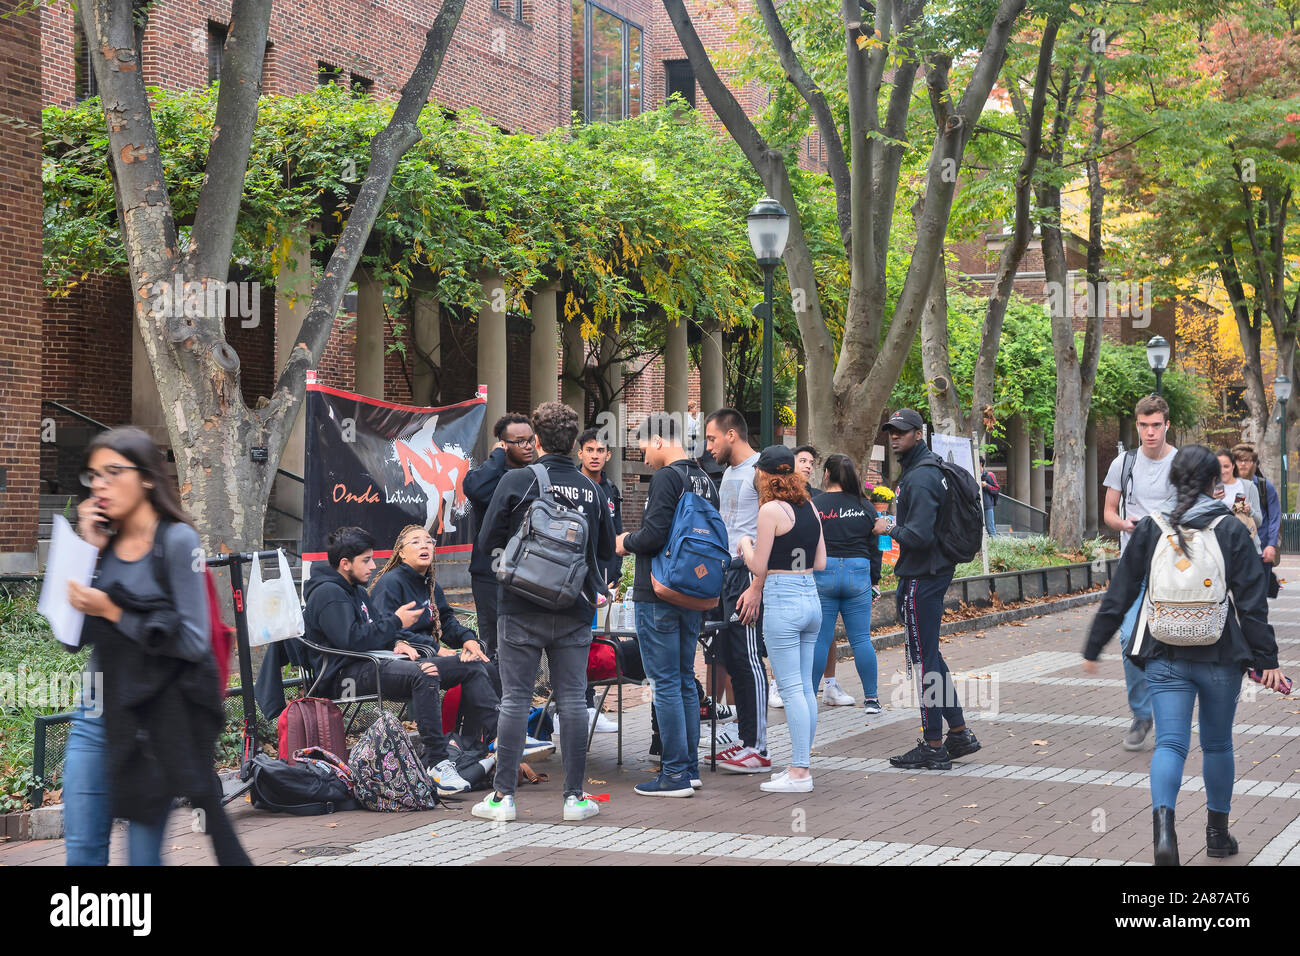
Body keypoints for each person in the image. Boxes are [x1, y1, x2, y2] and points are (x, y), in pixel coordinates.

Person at [1082, 445, 1286, 865]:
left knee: (1170, 745)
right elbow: (1251, 603)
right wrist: (1266, 659)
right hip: (1220, 653)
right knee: (1216, 744)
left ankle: (1164, 834)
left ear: (1173, 480)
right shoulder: (1230, 529)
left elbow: (1120, 592)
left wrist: (1094, 644)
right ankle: (1217, 835)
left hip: (1163, 650)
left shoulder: (1151, 527)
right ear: (1217, 482)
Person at [65, 427, 251, 866]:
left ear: (147, 477)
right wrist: (87, 553)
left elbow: (191, 640)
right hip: (95, 712)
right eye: (94, 476)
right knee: (83, 852)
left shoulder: (176, 541)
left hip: (152, 722)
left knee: (143, 859)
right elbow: (70, 637)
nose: (101, 485)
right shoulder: (100, 539)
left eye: (113, 472)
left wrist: (113, 612)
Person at [472, 401, 614, 823]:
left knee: (514, 697)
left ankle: (502, 800)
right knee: (572, 698)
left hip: (518, 605)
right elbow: (605, 551)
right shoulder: (592, 488)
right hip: (573, 607)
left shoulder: (517, 479)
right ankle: (574, 799)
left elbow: (485, 543)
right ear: (574, 442)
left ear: (536, 439)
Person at [303, 526, 473, 795]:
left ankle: (480, 746)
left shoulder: (357, 590)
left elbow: (375, 632)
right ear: (345, 564)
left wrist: (397, 642)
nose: (373, 566)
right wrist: (396, 623)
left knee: (467, 664)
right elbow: (352, 641)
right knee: (424, 673)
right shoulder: (328, 594)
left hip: (373, 663)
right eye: (366, 560)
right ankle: (436, 763)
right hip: (344, 675)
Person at [616, 412, 720, 797]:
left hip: (658, 592)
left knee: (665, 683)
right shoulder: (705, 478)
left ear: (659, 440)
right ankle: (689, 769)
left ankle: (674, 774)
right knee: (684, 680)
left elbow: (654, 535)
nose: (643, 457)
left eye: (643, 447)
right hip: (693, 591)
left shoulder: (666, 477)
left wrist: (624, 541)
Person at [874, 409, 980, 770]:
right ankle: (959, 734)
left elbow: (917, 536)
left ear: (919, 434)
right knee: (930, 655)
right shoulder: (931, 469)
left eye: (902, 432)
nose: (894, 437)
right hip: (934, 572)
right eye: (891, 431)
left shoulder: (919, 479)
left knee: (922, 662)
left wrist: (886, 526)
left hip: (923, 575)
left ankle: (933, 744)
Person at [737, 446, 826, 793]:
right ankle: (800, 765)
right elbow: (819, 562)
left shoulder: (770, 510)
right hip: (810, 597)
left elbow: (758, 566)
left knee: (790, 690)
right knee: (805, 688)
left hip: (782, 599)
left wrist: (745, 544)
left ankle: (800, 772)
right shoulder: (811, 507)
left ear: (765, 475)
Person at [369, 524, 501, 741]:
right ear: (401, 553)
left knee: (486, 664)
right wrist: (436, 648)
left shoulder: (430, 584)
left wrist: (467, 639)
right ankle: (502, 737)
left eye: (428, 541)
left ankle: (475, 743)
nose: (424, 545)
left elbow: (446, 622)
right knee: (472, 667)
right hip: (402, 661)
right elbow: (385, 630)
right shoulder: (390, 583)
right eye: (416, 542)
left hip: (427, 656)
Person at [1102, 394, 1177, 752]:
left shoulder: (1181, 463)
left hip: (1174, 568)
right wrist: (1126, 525)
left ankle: (1170, 715)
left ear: (1167, 425)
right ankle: (1141, 714)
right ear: (1138, 425)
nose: (1150, 432)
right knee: (1128, 637)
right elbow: (1109, 513)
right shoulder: (1123, 462)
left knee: (1172, 640)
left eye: (1156, 425)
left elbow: (1197, 511)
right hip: (1133, 566)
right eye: (1144, 426)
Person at [704, 407, 771, 773]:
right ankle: (745, 741)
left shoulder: (760, 471)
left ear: (732, 435)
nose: (708, 446)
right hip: (723, 573)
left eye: (712, 438)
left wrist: (757, 586)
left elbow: (770, 533)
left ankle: (758, 747)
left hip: (746, 575)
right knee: (729, 657)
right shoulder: (729, 472)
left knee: (748, 659)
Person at [812, 454, 882, 716]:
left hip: (824, 572)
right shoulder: (865, 506)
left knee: (821, 638)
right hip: (858, 572)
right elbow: (875, 548)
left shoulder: (815, 505)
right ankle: (872, 700)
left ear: (827, 474)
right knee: (862, 639)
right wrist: (875, 580)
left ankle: (809, 696)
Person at [464, 412, 536, 659]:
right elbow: (473, 488)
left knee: (524, 636)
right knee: (494, 639)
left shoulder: (535, 476)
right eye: (520, 441)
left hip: (527, 570)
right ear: (504, 444)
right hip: (490, 570)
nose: (528, 446)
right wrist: (496, 456)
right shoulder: (491, 475)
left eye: (531, 439)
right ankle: (494, 695)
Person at [574, 427, 621, 735]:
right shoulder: (572, 486)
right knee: (576, 643)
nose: (594, 455)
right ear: (579, 453)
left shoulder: (611, 490)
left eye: (600, 451)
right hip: (574, 579)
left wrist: (614, 575)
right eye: (589, 450)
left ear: (608, 455)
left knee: (598, 642)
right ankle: (578, 705)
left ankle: (592, 704)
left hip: (602, 581)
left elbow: (616, 536)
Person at [1232, 442, 1280, 567]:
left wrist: (1271, 545)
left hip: (1261, 549)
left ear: (1253, 463)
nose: (1243, 464)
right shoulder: (1225, 487)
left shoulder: (1264, 486)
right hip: (1234, 549)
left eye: (1247, 460)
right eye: (1239, 460)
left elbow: (1275, 518)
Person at [1216, 448, 1262, 546]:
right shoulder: (1210, 488)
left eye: (1226, 466)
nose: (1222, 471)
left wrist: (1249, 510)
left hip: (1247, 545)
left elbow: (1259, 522)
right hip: (1220, 545)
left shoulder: (1249, 486)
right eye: (1219, 467)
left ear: (1233, 466)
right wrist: (1212, 500)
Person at [979, 456, 1000, 537]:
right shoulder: (972, 474)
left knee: (990, 528)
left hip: (987, 505)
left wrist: (986, 485)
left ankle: (995, 547)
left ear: (980, 463)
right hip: (976, 506)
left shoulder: (989, 475)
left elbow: (997, 489)